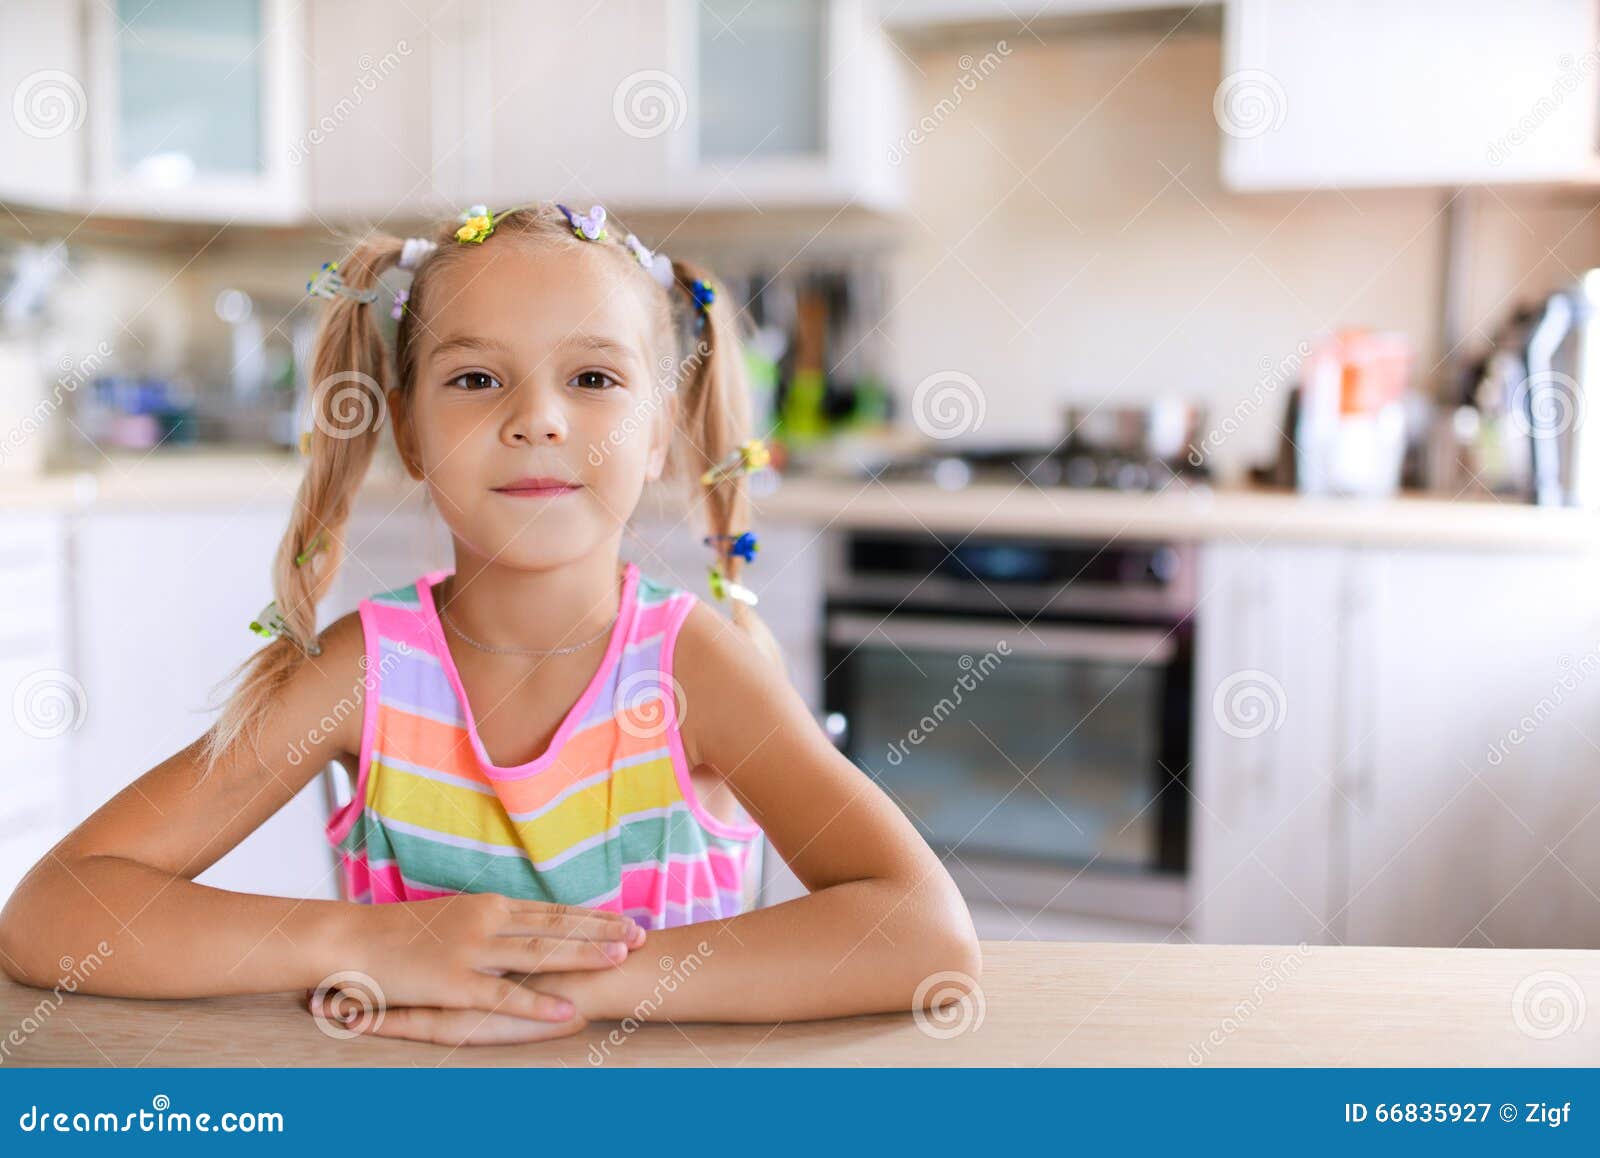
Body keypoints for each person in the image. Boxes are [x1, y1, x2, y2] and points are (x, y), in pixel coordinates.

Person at [0, 202, 980, 1046]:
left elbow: (922, 938)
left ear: (660, 435)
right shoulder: (361, 672)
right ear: (409, 431)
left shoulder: (695, 669)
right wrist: (372, 944)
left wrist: (568, 991)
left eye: (593, 379)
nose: (538, 418)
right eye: (475, 379)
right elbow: (54, 912)